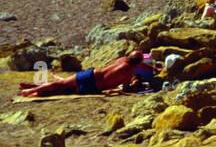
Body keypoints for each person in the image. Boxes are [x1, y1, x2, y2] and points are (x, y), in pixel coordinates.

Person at [19, 51, 153, 98]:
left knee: (61, 84)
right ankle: (32, 90)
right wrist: (136, 83)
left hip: (92, 74)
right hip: (95, 85)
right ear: (137, 63)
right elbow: (126, 88)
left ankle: (33, 88)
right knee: (63, 89)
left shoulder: (123, 59)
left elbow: (138, 63)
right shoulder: (128, 71)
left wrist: (153, 68)